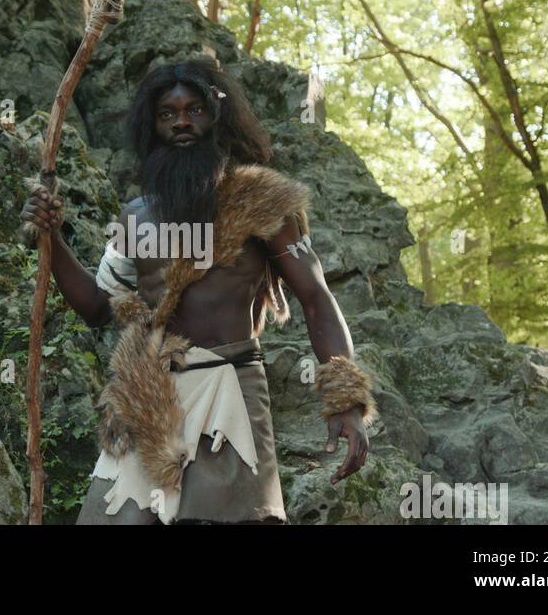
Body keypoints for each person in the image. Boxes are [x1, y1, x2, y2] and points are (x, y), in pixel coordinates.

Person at [21, 57, 377, 525]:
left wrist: (346, 402)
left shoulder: (260, 201)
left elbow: (315, 297)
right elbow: (94, 305)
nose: (182, 122)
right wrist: (52, 237)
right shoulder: (137, 217)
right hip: (151, 391)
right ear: (152, 126)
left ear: (218, 117)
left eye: (195, 110)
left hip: (232, 384)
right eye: (167, 114)